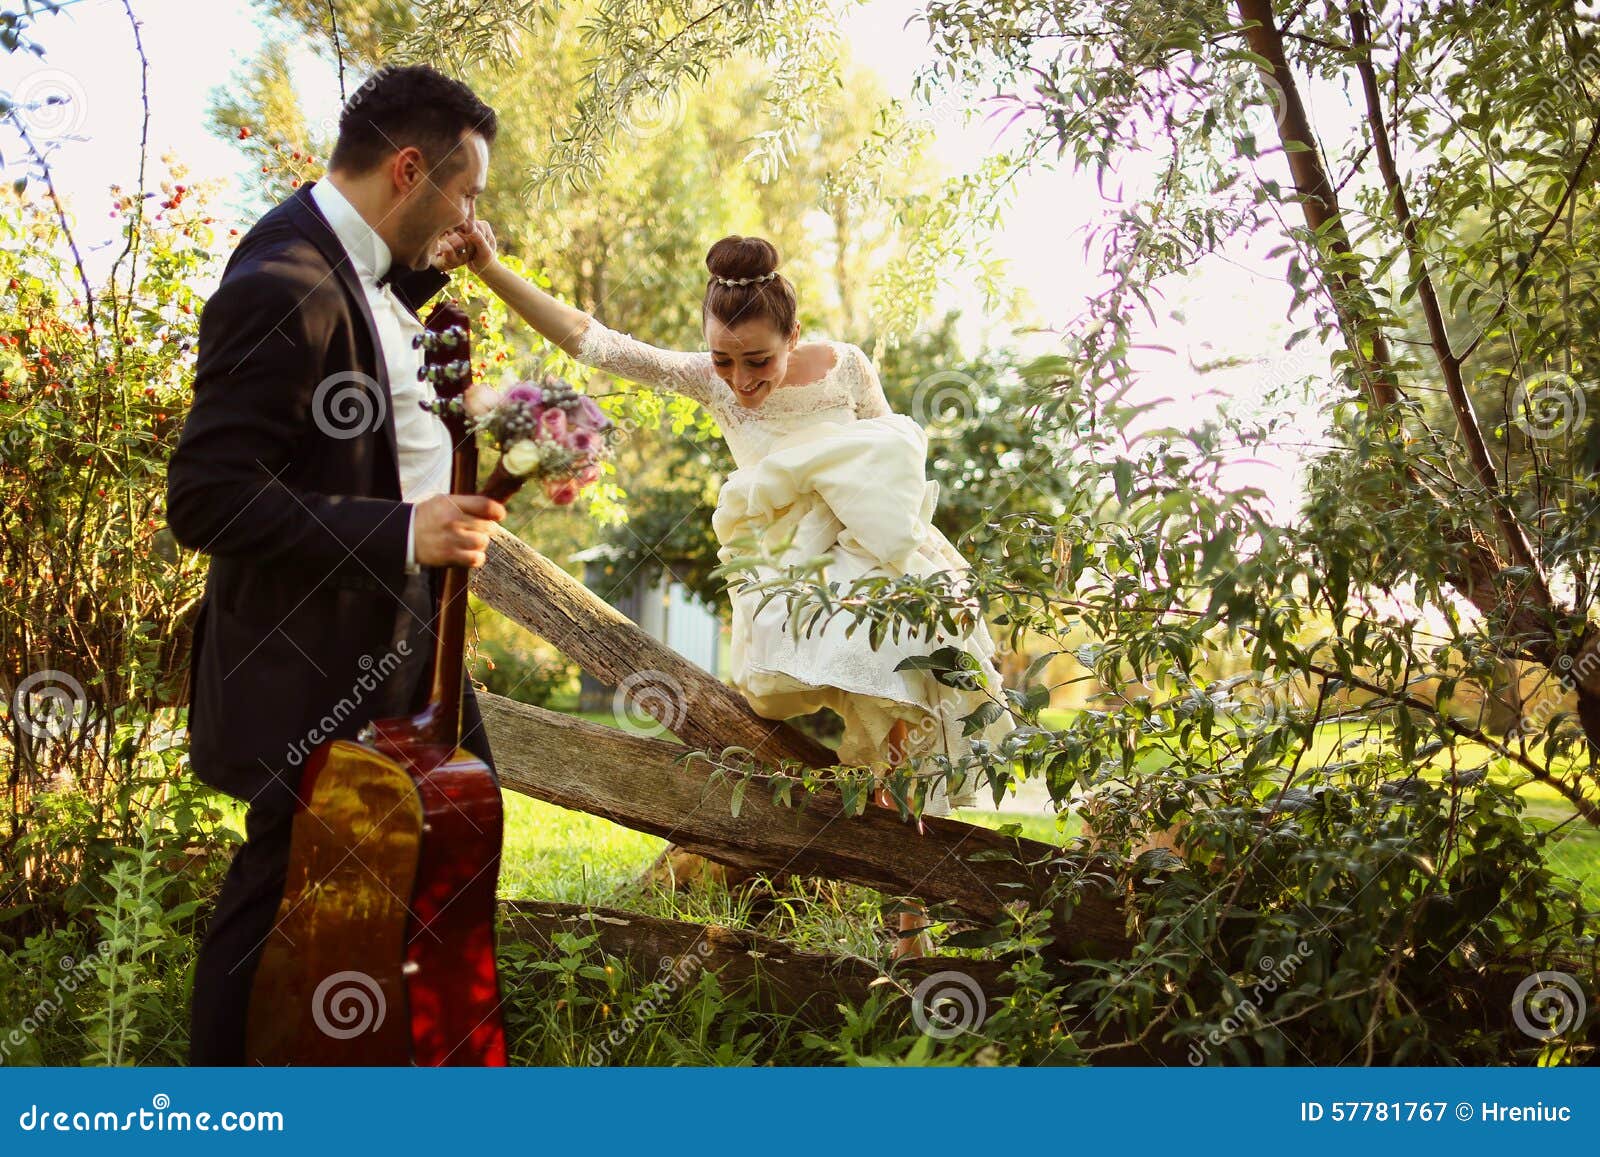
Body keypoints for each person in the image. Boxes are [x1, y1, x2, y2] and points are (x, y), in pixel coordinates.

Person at [460, 226, 1012, 957]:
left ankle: (909, 922)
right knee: (881, 675)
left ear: (794, 337)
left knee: (919, 683)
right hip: (791, 573)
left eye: (759, 361)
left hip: (872, 552)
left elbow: (892, 470)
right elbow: (592, 341)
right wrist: (491, 265)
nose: (742, 380)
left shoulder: (845, 367)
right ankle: (881, 871)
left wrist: (891, 551)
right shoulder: (707, 379)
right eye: (723, 360)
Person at [165, 64, 504, 1064]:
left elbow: (370, 358)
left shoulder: (353, 261)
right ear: (410, 169)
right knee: (276, 891)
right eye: (467, 191)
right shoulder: (281, 282)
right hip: (310, 665)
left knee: (448, 849)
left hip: (401, 642)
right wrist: (405, 533)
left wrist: (449, 268)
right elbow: (208, 496)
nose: (474, 212)